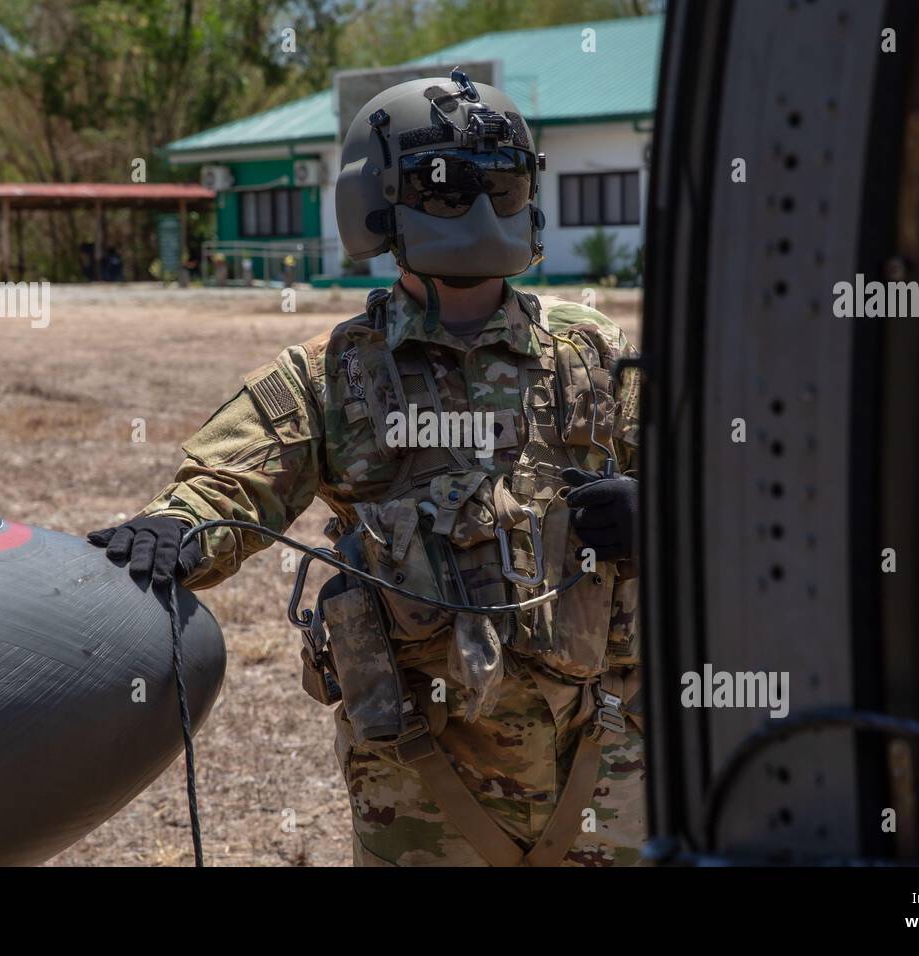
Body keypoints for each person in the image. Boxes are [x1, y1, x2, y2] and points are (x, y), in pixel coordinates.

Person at [89, 70, 644, 866]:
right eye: (449, 188)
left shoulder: (593, 354)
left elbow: (741, 496)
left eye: (505, 183)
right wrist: (175, 530)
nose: (483, 209)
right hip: (423, 795)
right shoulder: (336, 374)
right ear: (377, 204)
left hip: (608, 781)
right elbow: (227, 483)